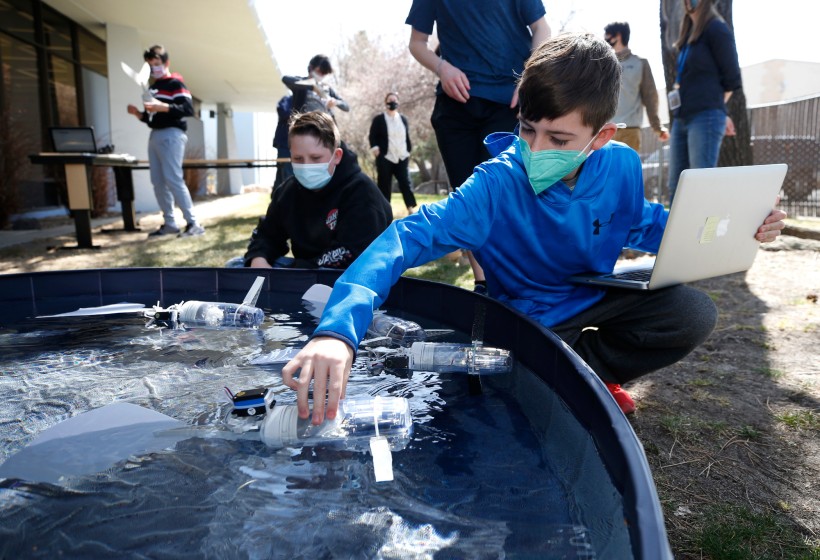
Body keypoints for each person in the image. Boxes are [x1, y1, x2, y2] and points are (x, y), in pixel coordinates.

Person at [280, 33, 787, 424]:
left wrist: (746, 225)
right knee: (517, 407)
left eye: (558, 137)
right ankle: (567, 378)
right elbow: (405, 238)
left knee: (693, 312)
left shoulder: (622, 167)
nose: (535, 150)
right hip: (527, 319)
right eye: (527, 129)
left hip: (592, 295)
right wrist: (336, 331)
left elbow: (646, 224)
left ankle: (584, 375)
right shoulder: (495, 185)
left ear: (601, 136)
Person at [406, 0, 550, 291]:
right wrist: (442, 68)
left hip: (507, 103)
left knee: (505, 197)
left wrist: (528, 77)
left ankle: (521, 283)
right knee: (469, 201)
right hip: (456, 106)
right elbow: (417, 43)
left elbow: (541, 28)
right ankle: (484, 285)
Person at [241, 111, 392, 269]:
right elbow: (267, 234)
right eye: (298, 159)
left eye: (316, 158)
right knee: (237, 265)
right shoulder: (288, 191)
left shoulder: (363, 194)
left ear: (337, 156)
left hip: (353, 278)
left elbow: (354, 254)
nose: (306, 166)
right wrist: (259, 258)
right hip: (303, 271)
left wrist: (296, 272)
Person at [126, 45, 204, 238]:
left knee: (173, 178)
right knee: (158, 181)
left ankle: (194, 223)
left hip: (172, 135)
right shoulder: (152, 87)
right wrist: (138, 114)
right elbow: (151, 117)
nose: (154, 68)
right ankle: (169, 223)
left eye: (157, 64)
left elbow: (187, 109)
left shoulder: (175, 84)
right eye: (150, 65)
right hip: (155, 135)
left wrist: (163, 107)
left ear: (166, 63)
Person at [667, 0, 741, 202]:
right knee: (676, 185)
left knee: (701, 185)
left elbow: (732, 79)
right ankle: (678, 234)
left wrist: (718, 110)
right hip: (681, 118)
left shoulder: (716, 29)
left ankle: (702, 234)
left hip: (706, 118)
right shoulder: (689, 35)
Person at [603, 22, 670, 151]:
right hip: (604, 130)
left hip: (630, 130)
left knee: (626, 170)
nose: (605, 39)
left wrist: (657, 128)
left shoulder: (640, 63)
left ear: (618, 36)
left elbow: (650, 98)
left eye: (608, 35)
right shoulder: (603, 64)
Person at [369, 92, 417, 214]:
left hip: (402, 156)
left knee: (405, 183)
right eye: (390, 100)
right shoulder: (379, 119)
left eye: (395, 100)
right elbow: (372, 136)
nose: (392, 103)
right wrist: (375, 149)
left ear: (398, 103)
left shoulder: (403, 119)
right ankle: (385, 210)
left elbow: (406, 136)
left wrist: (408, 150)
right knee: (384, 184)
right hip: (386, 157)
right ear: (386, 103)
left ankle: (411, 209)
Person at [282, 54, 349, 119]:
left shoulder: (326, 88)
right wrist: (312, 87)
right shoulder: (302, 83)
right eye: (320, 71)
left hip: (324, 126)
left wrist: (336, 102)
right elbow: (285, 79)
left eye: (324, 73)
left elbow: (346, 107)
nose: (321, 75)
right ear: (311, 67)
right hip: (304, 125)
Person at [272, 94, 294, 190]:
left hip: (298, 144)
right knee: (284, 172)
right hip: (284, 144)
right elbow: (283, 112)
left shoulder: (310, 100)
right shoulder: (286, 100)